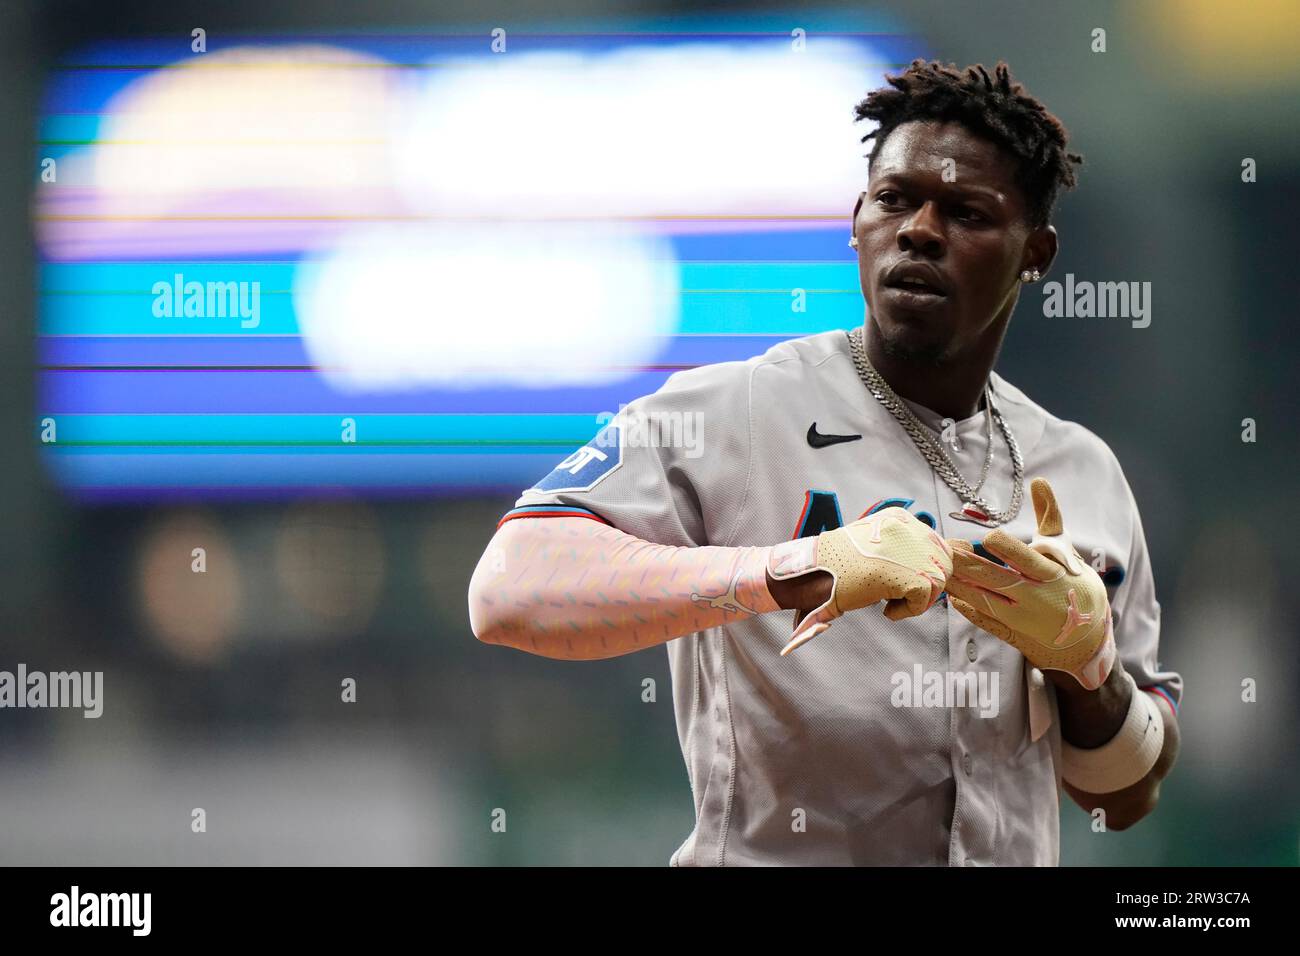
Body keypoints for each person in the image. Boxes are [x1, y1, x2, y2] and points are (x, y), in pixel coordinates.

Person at [468, 59, 1181, 866]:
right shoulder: (735, 411)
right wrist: (795, 567)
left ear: (1035, 253)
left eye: (967, 213)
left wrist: (1088, 665)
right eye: (894, 199)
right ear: (856, 220)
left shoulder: (1080, 471)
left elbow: (1128, 796)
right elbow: (507, 589)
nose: (918, 229)